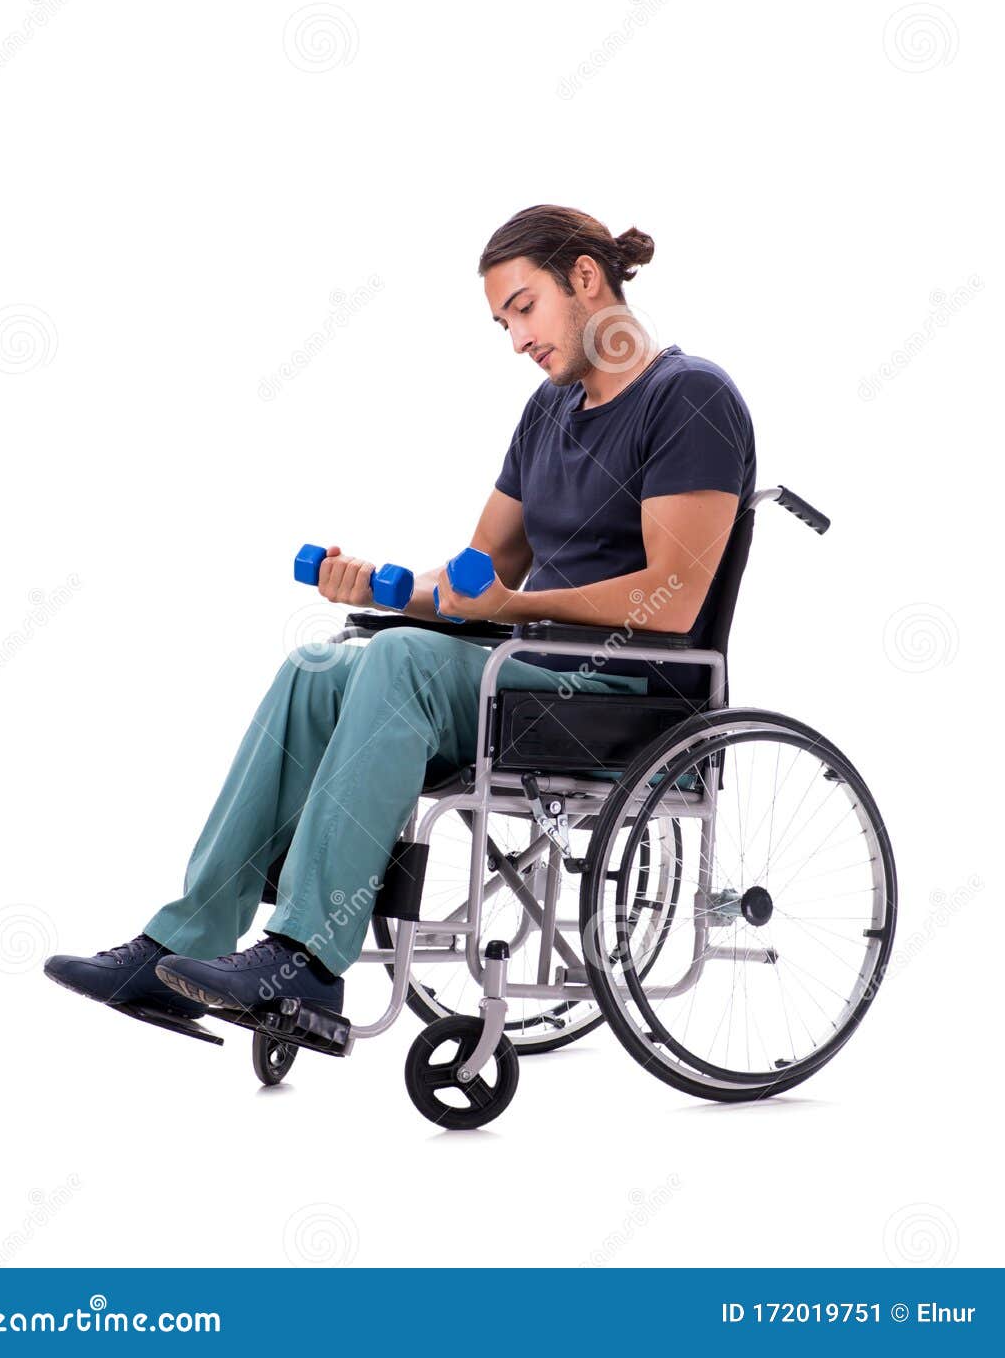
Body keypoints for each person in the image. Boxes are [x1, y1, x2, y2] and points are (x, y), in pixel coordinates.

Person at [44, 204, 756, 1024]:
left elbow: (672, 598)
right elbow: (481, 573)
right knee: (318, 665)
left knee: (402, 658)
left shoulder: (688, 398)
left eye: (524, 308)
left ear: (586, 278)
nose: (517, 340)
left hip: (626, 697)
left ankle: (306, 958)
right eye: (504, 323)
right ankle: (184, 941)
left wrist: (511, 606)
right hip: (525, 679)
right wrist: (381, 588)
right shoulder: (549, 412)